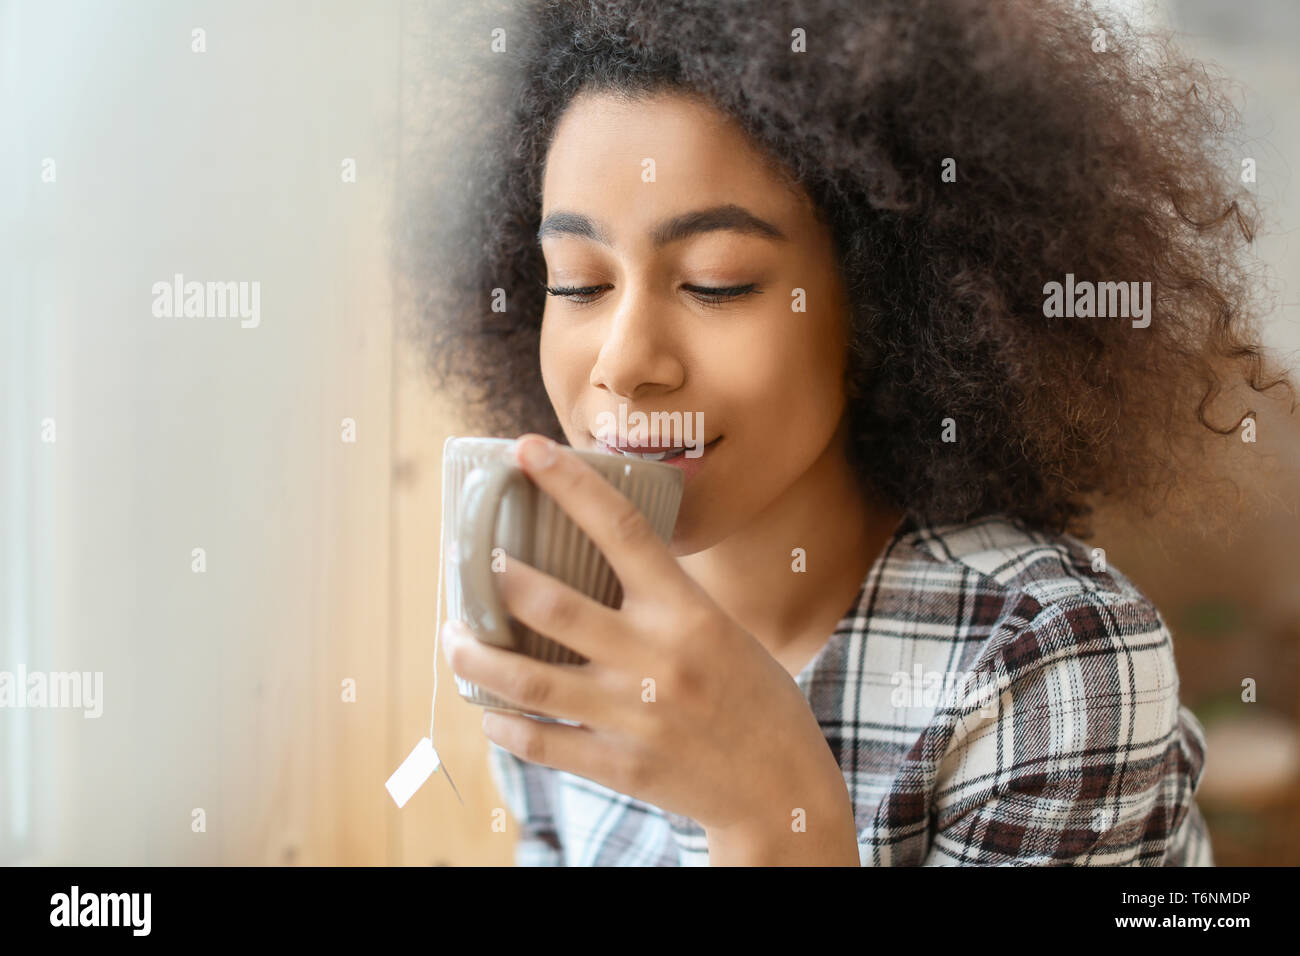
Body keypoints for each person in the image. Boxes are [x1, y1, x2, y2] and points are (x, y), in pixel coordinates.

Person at [407, 0, 1293, 865]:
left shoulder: (1048, 664)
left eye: (718, 283)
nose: (625, 359)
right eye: (577, 284)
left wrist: (774, 815)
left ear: (880, 310)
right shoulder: (560, 619)